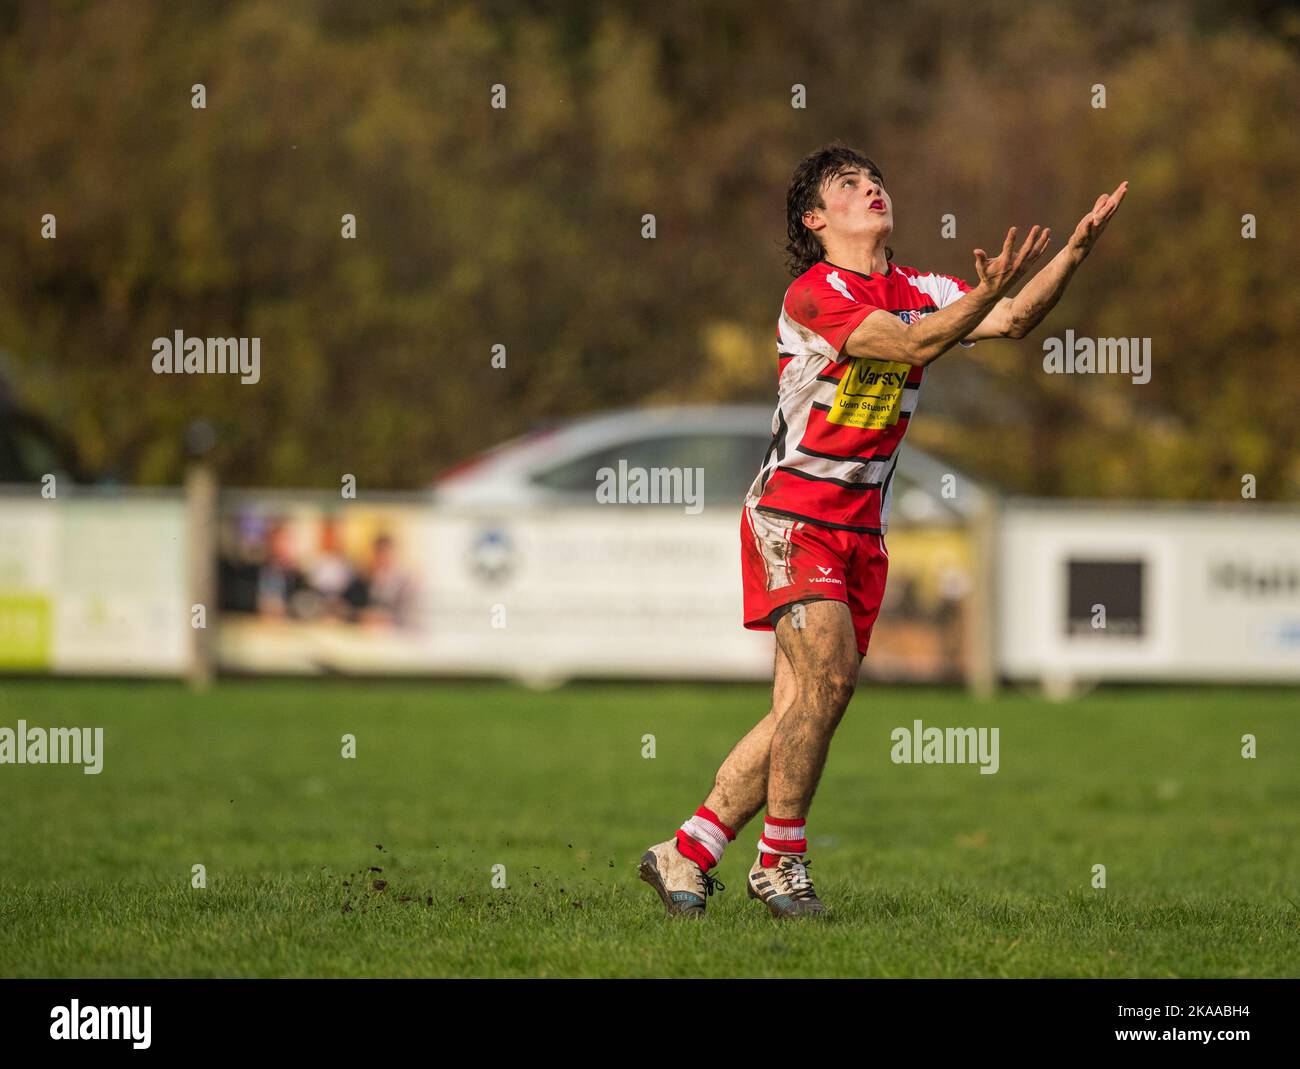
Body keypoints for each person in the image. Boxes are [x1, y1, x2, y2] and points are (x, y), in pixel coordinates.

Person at [640, 142, 1126, 918]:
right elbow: (908, 343)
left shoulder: (922, 285)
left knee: (806, 706)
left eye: (875, 180)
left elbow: (1012, 318)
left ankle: (687, 848)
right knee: (828, 680)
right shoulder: (813, 292)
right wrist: (980, 296)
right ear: (816, 218)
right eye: (849, 185)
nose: (872, 190)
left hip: (863, 529)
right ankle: (781, 863)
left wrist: (1071, 253)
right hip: (791, 520)